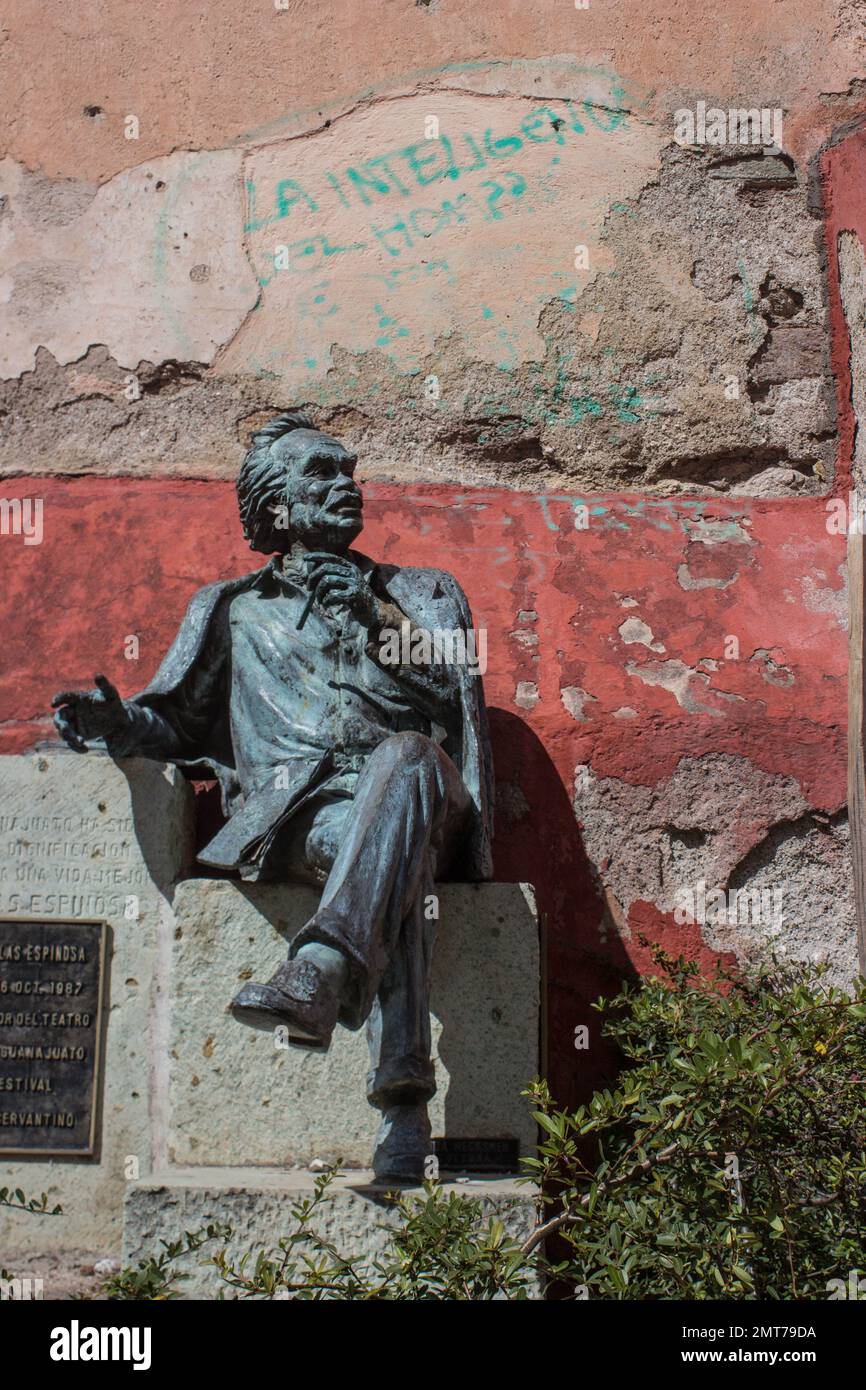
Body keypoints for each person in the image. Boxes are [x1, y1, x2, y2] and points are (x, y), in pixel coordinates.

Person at [52, 411, 493, 1177]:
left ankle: (321, 966)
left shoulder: (419, 592)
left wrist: (377, 618)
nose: (346, 484)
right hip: (306, 815)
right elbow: (176, 722)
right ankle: (402, 1102)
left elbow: (456, 701)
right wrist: (116, 723)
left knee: (408, 757)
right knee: (394, 860)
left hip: (424, 788)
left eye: (349, 470)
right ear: (276, 507)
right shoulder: (230, 610)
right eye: (320, 472)